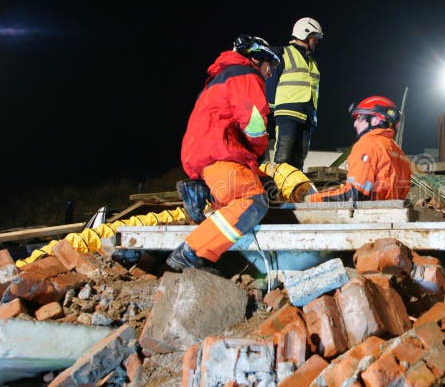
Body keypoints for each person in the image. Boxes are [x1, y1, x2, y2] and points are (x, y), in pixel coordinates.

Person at [167, 35, 280, 270]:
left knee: (268, 186)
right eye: (269, 66)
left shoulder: (219, 79)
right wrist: (258, 151)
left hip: (203, 154)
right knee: (253, 200)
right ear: (256, 59)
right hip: (221, 152)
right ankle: (192, 252)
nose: (269, 73)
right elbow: (254, 122)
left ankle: (203, 191)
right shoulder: (246, 75)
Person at [305, 95, 411, 202]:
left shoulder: (368, 145)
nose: (355, 124)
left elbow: (355, 194)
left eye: (360, 118)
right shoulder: (399, 153)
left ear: (375, 120)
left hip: (368, 215)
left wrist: (312, 199)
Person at [266, 17, 323, 171]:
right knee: (283, 157)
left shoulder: (312, 62)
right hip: (288, 113)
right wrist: (272, 107)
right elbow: (271, 82)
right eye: (314, 37)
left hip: (307, 116)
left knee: (299, 160)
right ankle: (278, 191)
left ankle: (295, 192)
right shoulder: (284, 54)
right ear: (305, 34)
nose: (316, 41)